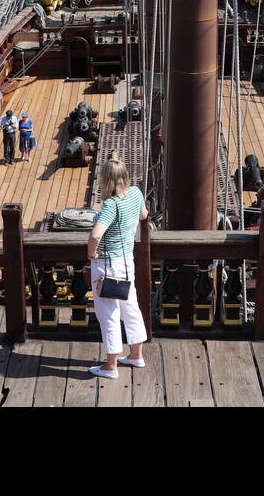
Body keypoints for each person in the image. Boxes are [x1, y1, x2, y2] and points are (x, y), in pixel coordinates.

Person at [86, 156, 148, 379]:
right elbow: (143, 215)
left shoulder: (111, 205)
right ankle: (136, 355)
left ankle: (110, 366)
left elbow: (95, 234)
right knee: (131, 307)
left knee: (108, 313)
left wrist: (91, 253)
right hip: (126, 261)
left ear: (106, 180)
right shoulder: (136, 193)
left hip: (107, 265)